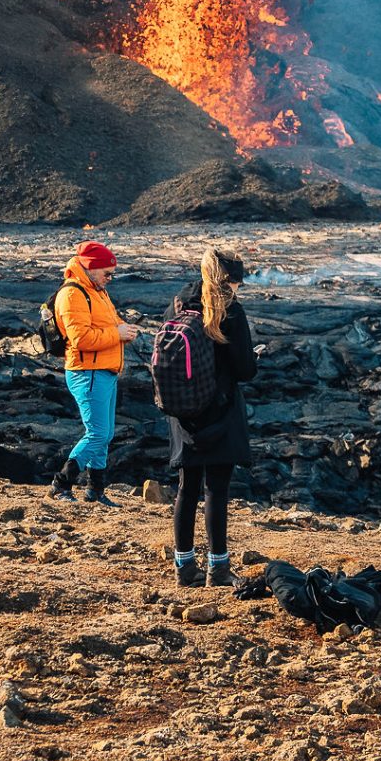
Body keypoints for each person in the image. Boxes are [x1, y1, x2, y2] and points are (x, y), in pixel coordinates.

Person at [163, 247, 258, 587]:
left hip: (184, 413)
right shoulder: (230, 310)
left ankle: (184, 567)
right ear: (230, 279)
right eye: (238, 281)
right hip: (220, 411)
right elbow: (244, 370)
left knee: (186, 489)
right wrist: (253, 358)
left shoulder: (178, 303)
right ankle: (217, 568)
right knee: (216, 489)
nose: (239, 288)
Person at [50, 240, 139, 505]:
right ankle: (61, 484)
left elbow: (111, 322)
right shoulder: (73, 294)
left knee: (104, 434)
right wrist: (117, 334)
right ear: (91, 267)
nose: (110, 278)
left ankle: (96, 490)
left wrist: (125, 330)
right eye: (107, 273)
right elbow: (80, 339)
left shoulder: (97, 291)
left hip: (104, 371)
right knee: (98, 433)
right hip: (87, 372)